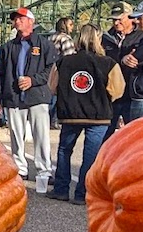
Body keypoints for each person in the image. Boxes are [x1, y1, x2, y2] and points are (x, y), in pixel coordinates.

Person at [46, 24, 125, 205]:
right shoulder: (108, 63)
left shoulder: (63, 62)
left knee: (65, 150)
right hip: (98, 115)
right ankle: (83, 193)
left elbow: (52, 87)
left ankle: (61, 189)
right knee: (91, 155)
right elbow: (117, 89)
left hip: (71, 114)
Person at [0, 7, 58, 180]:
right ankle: (20, 168)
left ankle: (44, 169)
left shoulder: (44, 44)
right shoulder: (8, 47)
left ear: (31, 21)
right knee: (16, 135)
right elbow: (0, 72)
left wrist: (33, 80)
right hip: (13, 97)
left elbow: (51, 69)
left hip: (37, 96)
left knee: (41, 135)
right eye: (15, 19)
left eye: (21, 18)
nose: (17, 21)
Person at [102, 1, 136, 138]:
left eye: (119, 19)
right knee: (106, 134)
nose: (116, 23)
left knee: (132, 135)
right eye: (113, 20)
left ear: (130, 17)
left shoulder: (141, 36)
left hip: (132, 92)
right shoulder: (106, 38)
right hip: (111, 93)